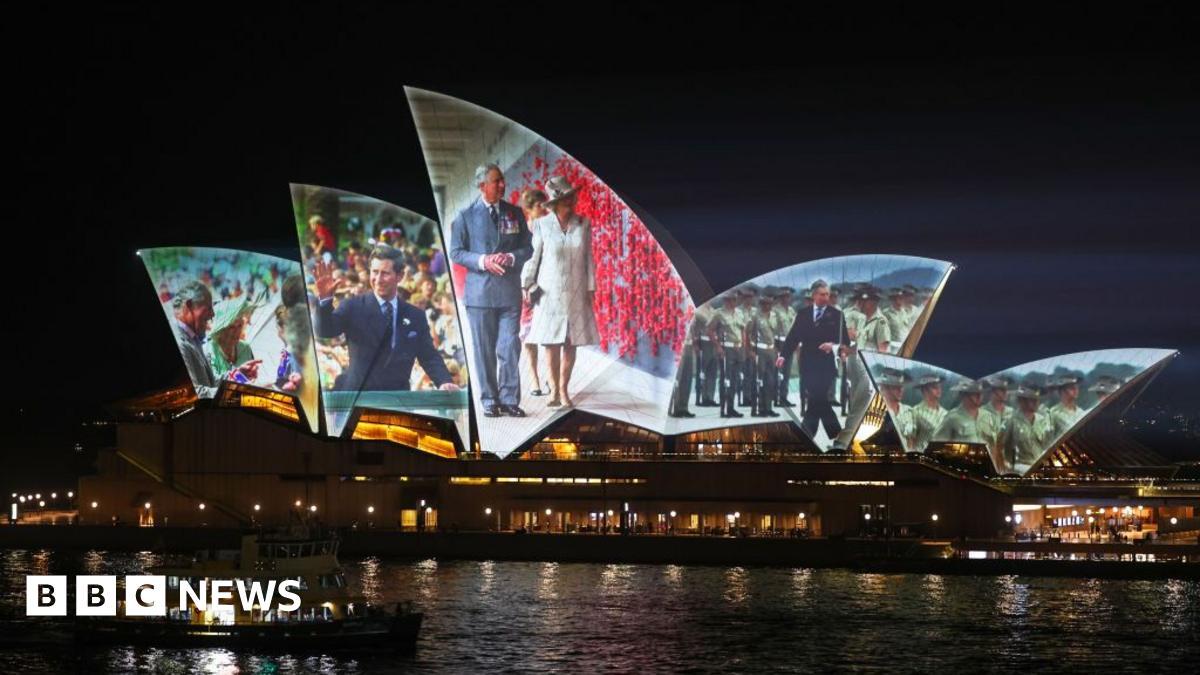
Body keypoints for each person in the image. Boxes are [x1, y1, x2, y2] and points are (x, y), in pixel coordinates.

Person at [312, 244, 457, 392]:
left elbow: (428, 355)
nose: (378, 279)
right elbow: (325, 330)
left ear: (399, 276)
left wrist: (444, 381)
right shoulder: (353, 306)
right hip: (358, 398)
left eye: (385, 273)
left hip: (397, 401)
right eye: (375, 272)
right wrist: (324, 300)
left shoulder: (415, 315)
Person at [450, 163, 532, 417]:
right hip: (479, 295)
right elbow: (456, 252)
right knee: (484, 350)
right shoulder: (464, 216)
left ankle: (509, 399)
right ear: (482, 186)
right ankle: (489, 399)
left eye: (502, 180)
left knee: (509, 347)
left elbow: (527, 248)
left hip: (509, 293)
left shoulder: (515, 212)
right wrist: (483, 261)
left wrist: (510, 256)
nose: (502, 185)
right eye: (496, 181)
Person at [521, 176, 600, 408]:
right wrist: (527, 284)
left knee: (570, 342)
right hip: (549, 292)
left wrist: (590, 288)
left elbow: (589, 259)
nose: (570, 201)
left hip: (576, 291)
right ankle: (553, 390)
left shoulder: (583, 224)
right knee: (550, 342)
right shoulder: (542, 225)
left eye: (571, 197)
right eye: (564, 198)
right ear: (555, 203)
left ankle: (564, 390)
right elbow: (534, 257)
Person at [777, 279, 850, 444]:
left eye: (828, 294)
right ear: (814, 295)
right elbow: (793, 337)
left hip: (826, 365)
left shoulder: (837, 315)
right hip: (808, 365)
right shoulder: (803, 314)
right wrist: (783, 355)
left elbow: (845, 341)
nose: (826, 298)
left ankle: (806, 436)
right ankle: (837, 436)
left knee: (817, 397)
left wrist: (832, 345)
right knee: (818, 399)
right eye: (823, 294)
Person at [171, 281, 260, 397]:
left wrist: (236, 375)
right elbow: (194, 394)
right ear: (189, 306)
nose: (212, 314)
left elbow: (211, 382)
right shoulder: (180, 343)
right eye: (208, 308)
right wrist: (238, 392)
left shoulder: (193, 339)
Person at [518, 188, 550, 397]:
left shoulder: (548, 228)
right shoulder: (523, 232)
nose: (546, 209)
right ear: (534, 207)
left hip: (546, 285)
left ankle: (549, 378)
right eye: (542, 205)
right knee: (528, 336)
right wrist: (524, 285)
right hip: (526, 286)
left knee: (549, 334)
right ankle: (535, 381)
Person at [709, 292, 745, 418]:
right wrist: (718, 346)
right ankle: (723, 409)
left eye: (735, 299)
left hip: (738, 349)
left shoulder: (739, 313)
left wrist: (744, 347)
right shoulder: (719, 313)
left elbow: (742, 330)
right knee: (726, 381)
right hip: (727, 349)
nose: (733, 302)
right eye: (730, 300)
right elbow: (710, 330)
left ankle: (731, 408)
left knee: (735, 381)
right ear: (726, 300)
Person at [1003, 382, 1052, 473]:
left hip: (1040, 469)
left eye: (1037, 399)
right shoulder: (1010, 421)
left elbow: (1048, 446)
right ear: (1022, 400)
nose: (1037, 402)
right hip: (1018, 470)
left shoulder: (1042, 421)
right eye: (1032, 400)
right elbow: (999, 448)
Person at [204, 297, 255, 382]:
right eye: (231, 327)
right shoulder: (207, 352)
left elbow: (252, 380)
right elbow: (211, 384)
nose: (237, 331)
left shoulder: (246, 348)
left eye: (239, 326)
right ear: (220, 329)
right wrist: (236, 376)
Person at [747, 290, 780, 417]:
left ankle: (768, 407)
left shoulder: (774, 316)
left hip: (771, 351)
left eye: (770, 304)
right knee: (758, 380)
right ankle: (758, 408)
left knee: (770, 380)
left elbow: (775, 333)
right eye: (765, 304)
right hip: (759, 350)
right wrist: (750, 350)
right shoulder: (756, 316)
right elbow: (747, 333)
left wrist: (776, 349)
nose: (768, 306)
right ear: (761, 304)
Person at [978, 375, 1014, 471]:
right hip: (989, 463)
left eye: (1006, 389)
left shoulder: (1013, 413)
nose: (1006, 392)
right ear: (993, 391)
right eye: (1002, 390)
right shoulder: (982, 413)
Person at [933, 379, 985, 444]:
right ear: (963, 395)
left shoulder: (987, 416)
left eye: (981, 393)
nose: (979, 396)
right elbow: (937, 444)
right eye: (975, 393)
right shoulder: (952, 417)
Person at [907, 374, 947, 453]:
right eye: (935, 387)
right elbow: (911, 440)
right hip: (922, 457)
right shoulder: (915, 412)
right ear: (924, 390)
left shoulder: (946, 413)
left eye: (939, 387)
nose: (939, 390)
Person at [1046, 375, 1087, 440]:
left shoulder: (1081, 412)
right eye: (1071, 388)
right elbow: (1048, 438)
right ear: (1062, 391)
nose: (1076, 390)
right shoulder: (1053, 413)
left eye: (1076, 387)